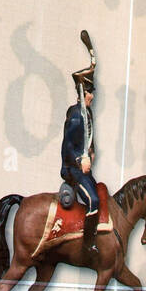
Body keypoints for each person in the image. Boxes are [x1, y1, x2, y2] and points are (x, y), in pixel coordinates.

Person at [61, 30, 100, 254]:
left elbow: (88, 140)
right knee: (93, 201)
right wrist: (80, 160)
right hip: (72, 169)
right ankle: (87, 245)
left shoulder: (87, 114)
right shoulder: (76, 116)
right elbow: (67, 147)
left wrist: (91, 152)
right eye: (89, 92)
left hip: (83, 167)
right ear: (82, 91)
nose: (92, 96)